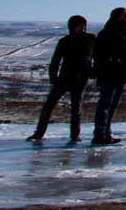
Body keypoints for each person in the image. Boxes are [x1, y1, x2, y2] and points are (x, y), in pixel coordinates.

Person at [27, 15, 93, 143]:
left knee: (76, 109)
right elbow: (56, 60)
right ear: (72, 27)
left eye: (84, 25)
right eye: (79, 25)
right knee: (48, 106)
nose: (82, 28)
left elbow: (95, 57)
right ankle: (39, 133)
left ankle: (74, 135)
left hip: (80, 80)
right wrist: (53, 77)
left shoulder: (90, 39)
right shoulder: (65, 41)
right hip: (64, 78)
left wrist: (92, 73)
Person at [89, 8, 126, 145]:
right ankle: (100, 133)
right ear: (116, 16)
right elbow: (97, 52)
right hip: (109, 73)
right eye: (124, 15)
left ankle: (106, 131)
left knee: (113, 104)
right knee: (105, 103)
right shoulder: (107, 33)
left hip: (122, 73)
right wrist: (111, 60)